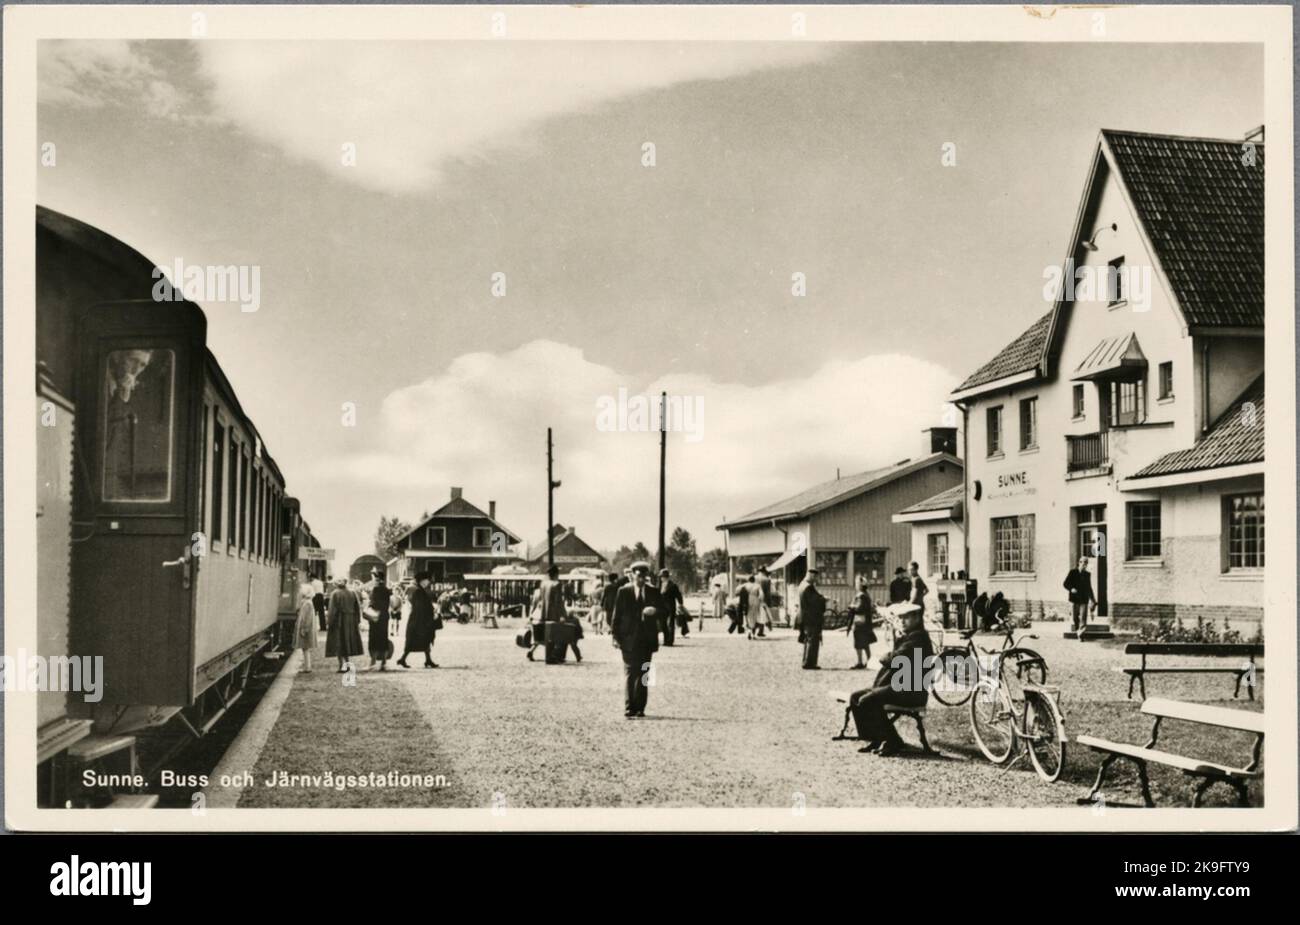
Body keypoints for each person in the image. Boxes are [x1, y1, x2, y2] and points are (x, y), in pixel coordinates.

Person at [848, 603, 934, 756]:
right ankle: (876, 738)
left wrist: (883, 656)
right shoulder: (909, 636)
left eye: (906, 618)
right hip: (899, 686)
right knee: (855, 697)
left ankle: (893, 741)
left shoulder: (918, 638)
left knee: (868, 700)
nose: (902, 621)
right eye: (900, 618)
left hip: (911, 690)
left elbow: (895, 659)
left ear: (916, 618)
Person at [611, 561, 662, 718]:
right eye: (638, 576)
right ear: (633, 575)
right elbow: (616, 616)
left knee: (645, 672)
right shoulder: (623, 592)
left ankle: (640, 707)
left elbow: (665, 610)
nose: (641, 579)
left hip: (647, 640)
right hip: (628, 640)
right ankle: (629, 707)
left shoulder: (653, 592)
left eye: (644, 576)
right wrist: (615, 637)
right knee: (630, 672)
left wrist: (655, 610)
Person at [397, 571, 439, 668]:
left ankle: (427, 660)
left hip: (417, 618)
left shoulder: (417, 589)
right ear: (423, 580)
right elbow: (420, 606)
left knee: (423, 640)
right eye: (427, 580)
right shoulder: (419, 591)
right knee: (418, 640)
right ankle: (403, 659)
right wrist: (431, 612)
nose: (428, 583)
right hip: (420, 619)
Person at [325, 576, 364, 673]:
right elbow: (357, 608)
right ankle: (347, 663)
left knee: (339, 642)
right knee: (347, 642)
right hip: (350, 620)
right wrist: (357, 620)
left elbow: (332, 610)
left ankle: (341, 665)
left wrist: (329, 622)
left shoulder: (335, 594)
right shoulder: (352, 593)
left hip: (339, 620)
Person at [798, 567, 827, 669]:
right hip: (811, 617)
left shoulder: (802, 585)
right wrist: (824, 599)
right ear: (812, 576)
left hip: (804, 617)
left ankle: (806, 661)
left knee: (807, 640)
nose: (816, 579)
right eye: (815, 577)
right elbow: (815, 601)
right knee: (813, 640)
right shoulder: (809, 587)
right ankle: (810, 663)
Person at [848, 573, 878, 669]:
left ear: (860, 585)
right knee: (865, 643)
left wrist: (851, 606)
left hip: (860, 622)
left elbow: (859, 608)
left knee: (858, 643)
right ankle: (869, 660)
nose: (856, 585)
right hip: (866, 622)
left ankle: (860, 662)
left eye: (857, 583)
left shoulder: (861, 596)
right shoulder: (866, 595)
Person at [365, 570, 392, 671]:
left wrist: (369, 606)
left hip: (376, 616)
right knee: (383, 638)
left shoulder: (375, 589)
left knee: (374, 639)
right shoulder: (386, 589)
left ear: (377, 578)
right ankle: (384, 663)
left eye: (372, 577)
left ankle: (373, 662)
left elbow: (375, 603)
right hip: (384, 616)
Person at [1063, 557, 1097, 634]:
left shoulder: (1087, 574)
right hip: (1074, 599)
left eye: (1086, 563)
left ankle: (1081, 633)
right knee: (1075, 617)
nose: (1084, 564)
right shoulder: (1072, 572)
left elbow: (1089, 588)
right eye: (1082, 562)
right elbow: (1065, 584)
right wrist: (1071, 589)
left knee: (1083, 617)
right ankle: (1078, 629)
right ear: (1079, 562)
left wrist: (1093, 599)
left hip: (1084, 599)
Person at [294, 582, 319, 673]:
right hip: (305, 627)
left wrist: (304, 629)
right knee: (305, 648)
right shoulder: (307, 602)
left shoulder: (307, 603)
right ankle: (307, 666)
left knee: (305, 648)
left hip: (305, 628)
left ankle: (307, 667)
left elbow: (307, 618)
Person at [658, 568, 687, 644]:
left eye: (662, 577)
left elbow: (678, 595)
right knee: (663, 623)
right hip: (662, 607)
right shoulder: (660, 585)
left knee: (670, 623)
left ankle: (670, 640)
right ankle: (665, 639)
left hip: (670, 606)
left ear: (665, 577)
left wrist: (680, 604)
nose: (661, 578)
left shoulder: (673, 585)